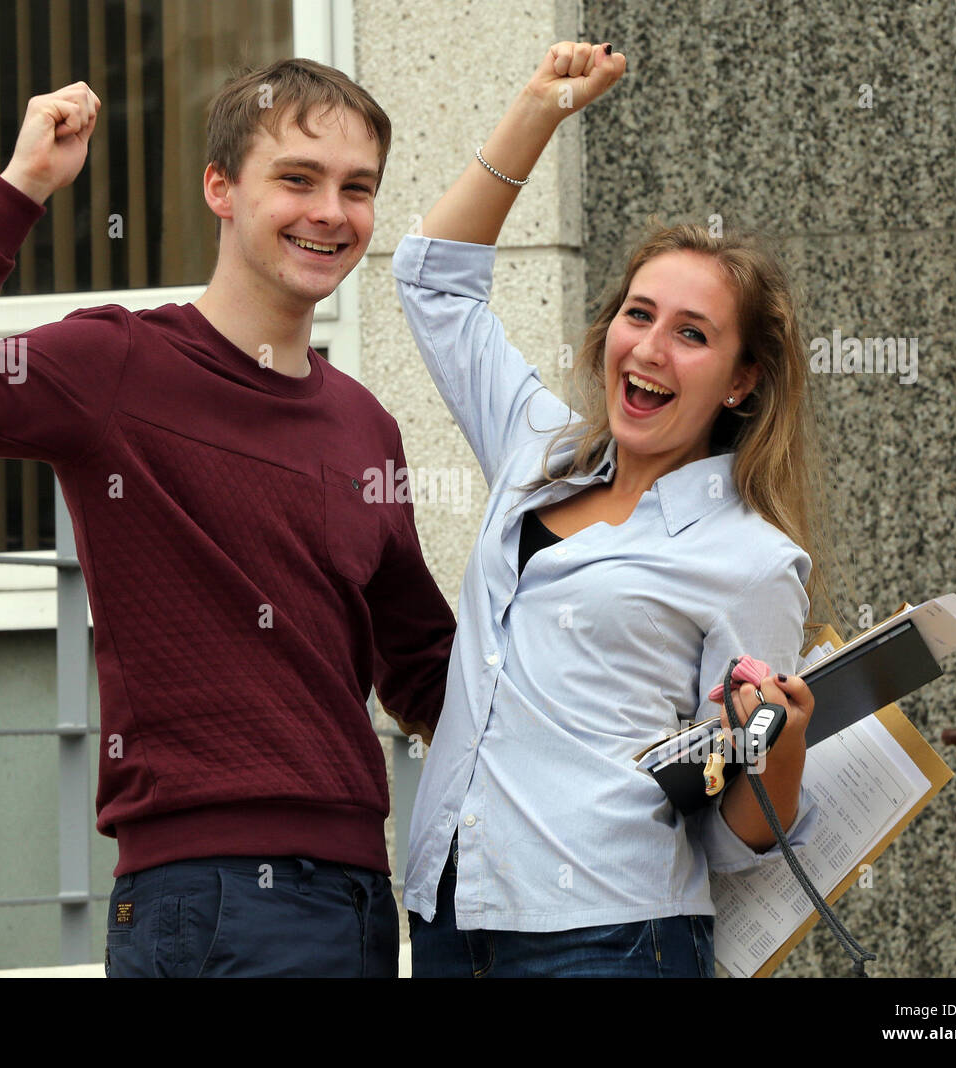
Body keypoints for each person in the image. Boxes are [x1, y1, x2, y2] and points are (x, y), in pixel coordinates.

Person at [0, 60, 456, 978]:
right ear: (221, 187)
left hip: (362, 894)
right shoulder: (118, 365)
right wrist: (22, 190)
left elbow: (426, 670)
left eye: (356, 188)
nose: (330, 211)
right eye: (296, 178)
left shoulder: (367, 426)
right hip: (212, 900)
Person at [393, 41, 828, 977]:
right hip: (446, 914)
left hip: (610, 938)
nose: (651, 349)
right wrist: (539, 108)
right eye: (639, 314)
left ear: (744, 380)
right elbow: (432, 279)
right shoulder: (537, 451)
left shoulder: (752, 560)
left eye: (693, 334)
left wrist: (780, 751)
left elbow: (739, 834)